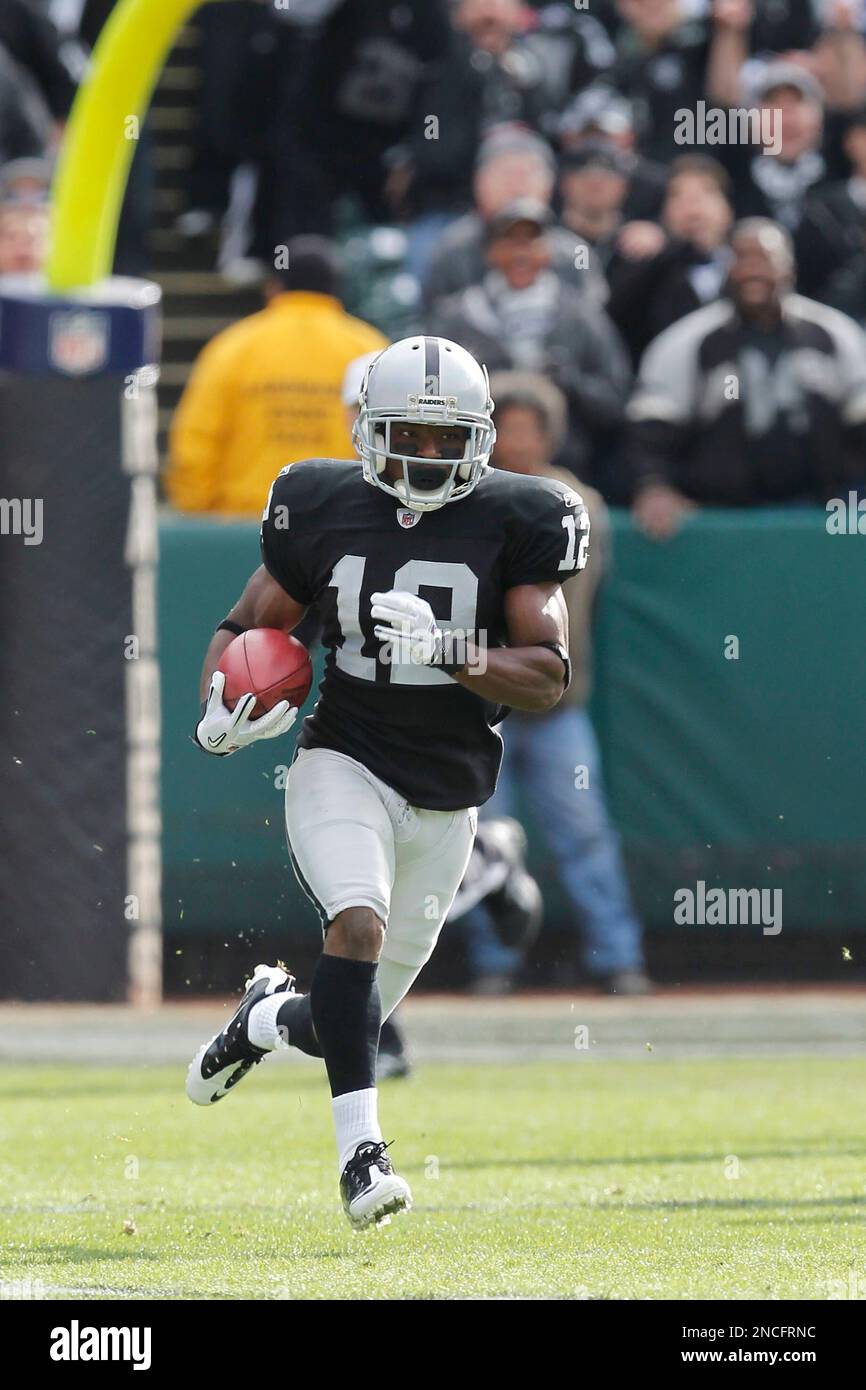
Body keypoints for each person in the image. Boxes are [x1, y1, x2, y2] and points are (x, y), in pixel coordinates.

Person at [185, 335, 590, 1229]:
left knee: (344, 1016)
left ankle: (262, 1017)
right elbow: (250, 623)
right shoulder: (320, 502)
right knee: (356, 924)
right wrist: (220, 704)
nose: (429, 454)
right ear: (369, 428)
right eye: (411, 432)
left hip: (449, 794)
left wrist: (450, 650)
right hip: (344, 758)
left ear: (481, 439)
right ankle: (363, 1161)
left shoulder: (523, 516)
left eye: (451, 439)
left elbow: (549, 675)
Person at [473, 371, 649, 994]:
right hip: (482, 709)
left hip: (555, 708)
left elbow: (578, 603)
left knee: (585, 834)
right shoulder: (466, 496)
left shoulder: (579, 503)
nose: (517, 441)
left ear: (550, 436)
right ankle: (494, 965)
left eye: (529, 429)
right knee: (479, 845)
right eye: (507, 429)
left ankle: (618, 958)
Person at [627, 218, 866, 540]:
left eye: (766, 258)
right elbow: (650, 432)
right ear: (727, 267)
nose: (754, 270)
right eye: (742, 258)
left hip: (820, 513)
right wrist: (653, 486)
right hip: (722, 516)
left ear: (789, 267)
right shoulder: (688, 341)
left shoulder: (833, 334)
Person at [165, 237, 387, 515]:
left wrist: (198, 512)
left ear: (273, 287)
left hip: (244, 525)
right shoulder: (371, 349)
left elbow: (196, 441)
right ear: (336, 288)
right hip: (342, 523)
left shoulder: (233, 346)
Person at [428, 199, 631, 476]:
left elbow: (615, 400)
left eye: (531, 241)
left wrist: (571, 384)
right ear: (489, 252)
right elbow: (428, 397)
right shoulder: (457, 318)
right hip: (471, 471)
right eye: (509, 242)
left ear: (548, 251)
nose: (520, 253)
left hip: (563, 470)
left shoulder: (581, 316)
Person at [422, 124, 606, 311]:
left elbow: (591, 322)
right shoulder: (453, 249)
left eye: (528, 174)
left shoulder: (574, 253)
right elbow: (435, 321)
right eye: (505, 173)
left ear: (550, 185)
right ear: (479, 182)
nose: (517, 185)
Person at [606, 155, 734, 365]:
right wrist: (657, 258)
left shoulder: (746, 266)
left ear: (728, 209)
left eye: (706, 192)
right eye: (677, 196)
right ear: (664, 212)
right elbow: (616, 321)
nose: (692, 206)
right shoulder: (644, 263)